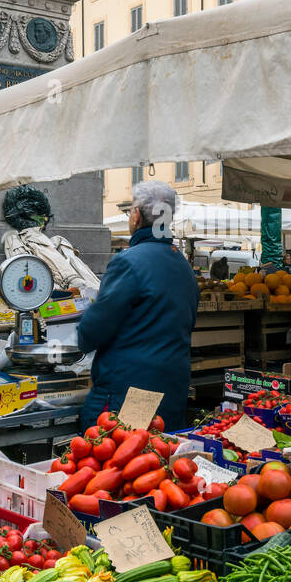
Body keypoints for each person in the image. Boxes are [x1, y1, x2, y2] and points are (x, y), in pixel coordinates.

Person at [78, 181, 199, 431]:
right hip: (173, 386)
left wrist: (82, 328)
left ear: (136, 215)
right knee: (160, 458)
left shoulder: (128, 262)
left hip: (128, 389)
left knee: (118, 457)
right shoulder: (183, 265)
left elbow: (94, 330)